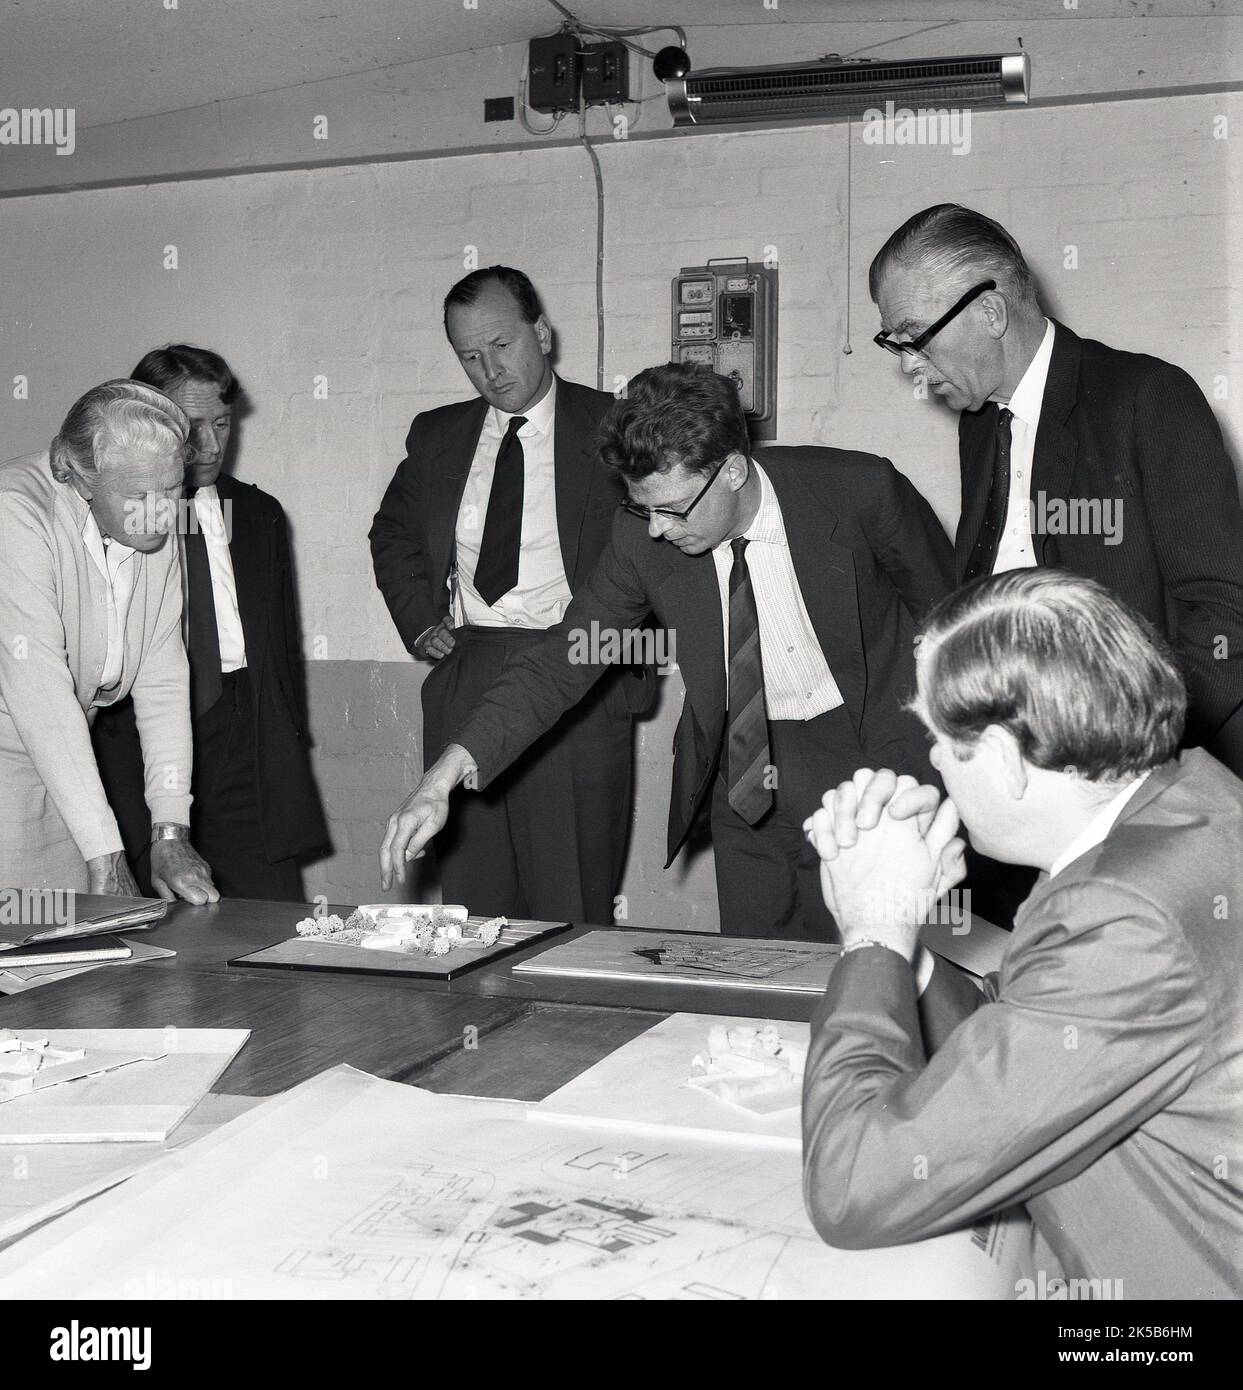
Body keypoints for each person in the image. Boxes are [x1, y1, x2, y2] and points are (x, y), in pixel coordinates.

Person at [381, 361, 955, 939]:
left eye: (671, 508)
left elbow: (957, 627)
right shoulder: (641, 542)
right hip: (746, 773)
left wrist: (941, 768)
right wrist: (443, 776)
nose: (656, 529)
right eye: (641, 508)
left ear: (733, 471)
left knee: (873, 963)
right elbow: (569, 655)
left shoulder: (860, 491)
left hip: (869, 764)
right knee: (752, 975)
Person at [802, 568, 1243, 1299]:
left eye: (938, 738)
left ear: (1004, 759)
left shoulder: (1126, 919)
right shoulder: (1188, 810)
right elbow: (1034, 1048)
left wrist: (870, 931)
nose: (934, 761)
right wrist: (904, 949)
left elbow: (855, 1187)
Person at [869, 202, 1243, 776]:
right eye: (894, 343)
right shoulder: (980, 423)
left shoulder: (1147, 397)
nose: (910, 367)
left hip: (1134, 769)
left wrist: (1140, 752)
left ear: (991, 311)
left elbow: (1227, 611)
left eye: (915, 338)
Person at [369, 266, 651, 924]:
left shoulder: (612, 427)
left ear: (542, 334)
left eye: (501, 345)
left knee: (571, 899)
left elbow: (652, 549)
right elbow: (393, 536)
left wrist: (628, 653)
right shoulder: (435, 436)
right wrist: (419, 623)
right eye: (469, 356)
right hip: (470, 670)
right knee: (474, 904)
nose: (489, 370)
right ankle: (479, 1024)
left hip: (577, 675)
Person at [93, 347, 328, 900]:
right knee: (160, 927)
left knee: (270, 916)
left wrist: (285, 737)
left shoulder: (258, 514)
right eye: (190, 427)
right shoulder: (112, 519)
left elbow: (281, 649)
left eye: (221, 423)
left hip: (246, 732)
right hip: (138, 743)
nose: (211, 445)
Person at [0, 380, 217, 901]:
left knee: (71, 951)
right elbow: (40, 695)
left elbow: (163, 677)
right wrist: (106, 852)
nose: (164, 513)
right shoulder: (14, 514)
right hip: (17, 752)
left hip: (66, 762)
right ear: (76, 478)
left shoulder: (154, 518)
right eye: (140, 496)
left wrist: (170, 829)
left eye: (173, 488)